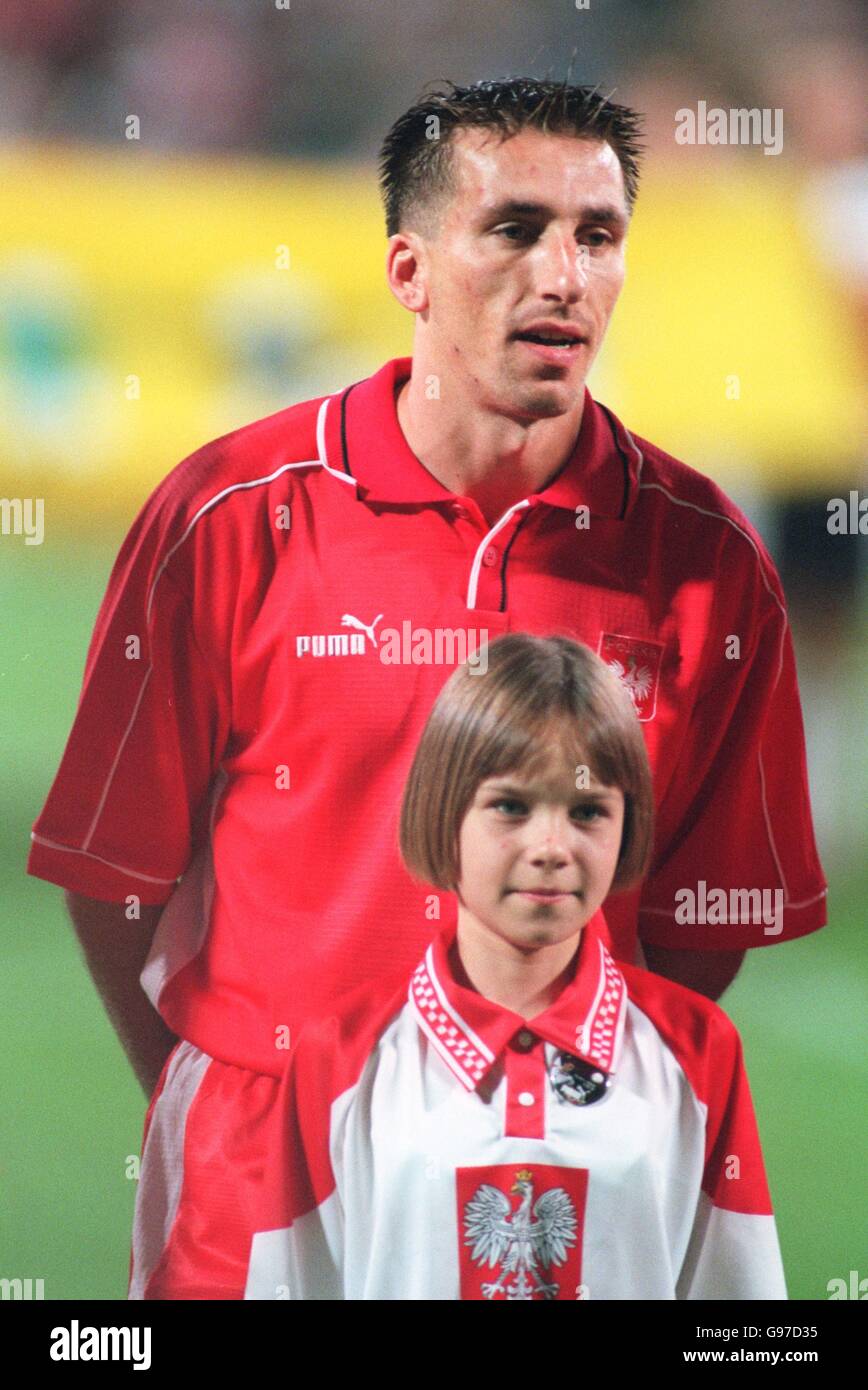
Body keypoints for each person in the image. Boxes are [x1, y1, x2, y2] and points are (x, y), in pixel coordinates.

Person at [26, 78, 824, 1300]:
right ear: (408, 269)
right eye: (514, 229)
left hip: (555, 1182)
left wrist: (545, 1104)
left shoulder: (707, 567)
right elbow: (111, 872)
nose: (564, 275)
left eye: (596, 237)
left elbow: (695, 929)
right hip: (254, 1166)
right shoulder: (231, 515)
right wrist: (229, 1091)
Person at [245, 634, 786, 1301]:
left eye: (588, 811)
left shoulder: (697, 1050)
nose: (551, 847)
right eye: (512, 806)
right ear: (444, 814)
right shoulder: (342, 1056)